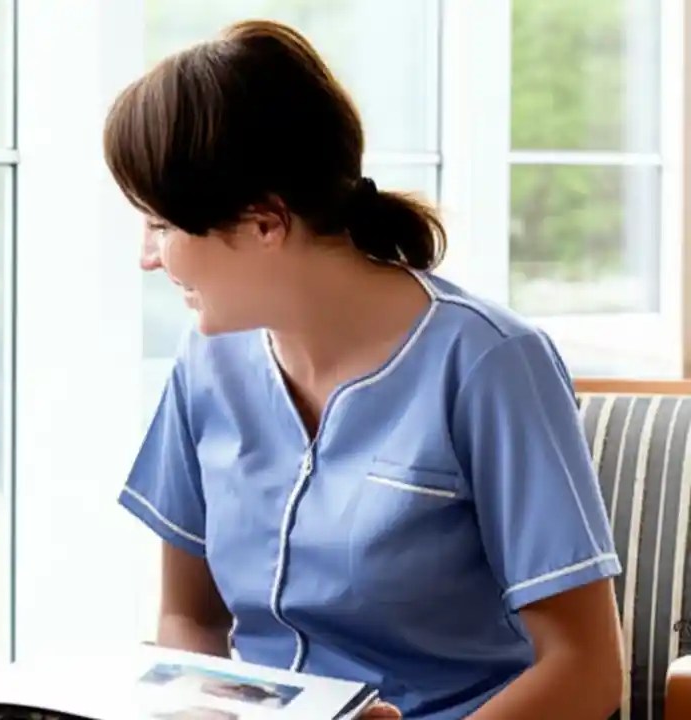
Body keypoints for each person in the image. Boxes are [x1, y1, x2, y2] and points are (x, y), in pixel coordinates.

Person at [106, 19, 624, 720]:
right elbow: (189, 621)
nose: (147, 257)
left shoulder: (490, 364)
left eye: (162, 227)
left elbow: (587, 671)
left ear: (265, 223)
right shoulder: (207, 362)